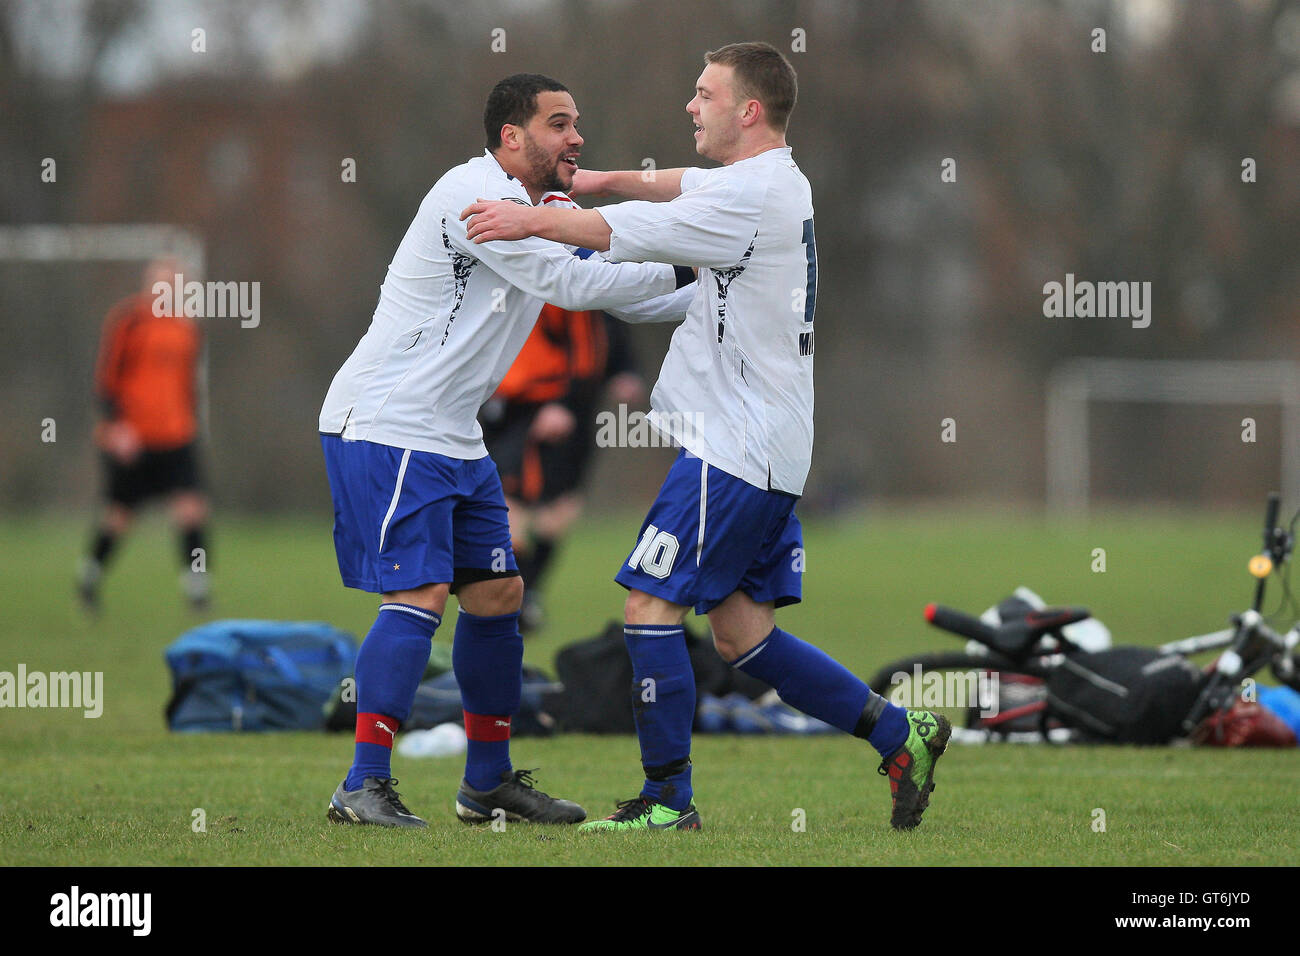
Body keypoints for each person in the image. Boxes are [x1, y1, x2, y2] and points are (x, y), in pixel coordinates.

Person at [462, 42, 951, 831]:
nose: (691, 106)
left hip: (737, 448)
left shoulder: (748, 199)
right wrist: (599, 178)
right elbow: (670, 184)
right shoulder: (768, 181)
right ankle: (902, 733)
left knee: (649, 609)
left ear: (747, 110)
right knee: (741, 634)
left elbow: (634, 231)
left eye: (704, 93)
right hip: (767, 447)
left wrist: (534, 217)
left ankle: (666, 801)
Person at [318, 73, 694, 828]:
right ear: (511, 138)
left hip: (452, 435)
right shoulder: (473, 198)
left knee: (498, 596)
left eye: (577, 122)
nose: (577, 138)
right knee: (418, 597)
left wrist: (722, 285)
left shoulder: (533, 209)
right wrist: (698, 258)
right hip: (389, 424)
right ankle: (362, 784)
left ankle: (486, 782)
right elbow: (575, 280)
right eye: (559, 124)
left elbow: (612, 288)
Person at [480, 296, 646, 632]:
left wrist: (567, 401)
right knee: (508, 497)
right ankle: (514, 597)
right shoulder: (492, 269)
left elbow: (599, 325)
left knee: (558, 508)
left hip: (549, 405)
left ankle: (523, 594)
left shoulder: (567, 270)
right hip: (502, 403)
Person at [78, 256, 212, 613]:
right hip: (134, 438)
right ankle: (89, 577)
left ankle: (197, 588)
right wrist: (117, 426)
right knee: (119, 515)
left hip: (177, 436)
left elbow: (187, 386)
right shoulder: (129, 320)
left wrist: (192, 423)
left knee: (192, 512)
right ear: (147, 285)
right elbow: (107, 379)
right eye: (159, 283)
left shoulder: (187, 328)